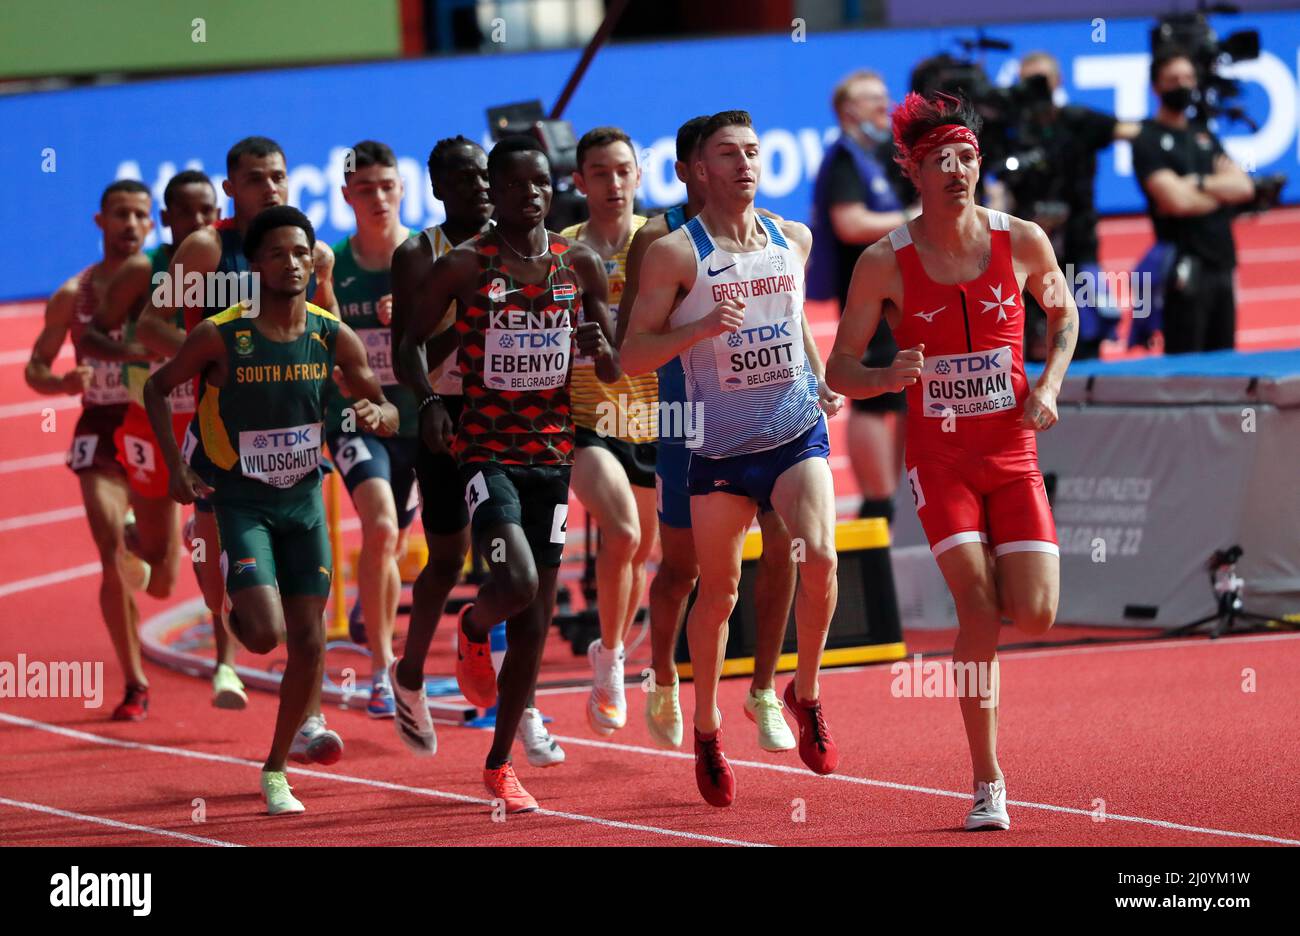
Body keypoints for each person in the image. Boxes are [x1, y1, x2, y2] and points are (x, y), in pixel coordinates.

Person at [827, 90, 1078, 830]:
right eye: (940, 160)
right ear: (912, 169)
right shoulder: (884, 261)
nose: (958, 170)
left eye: (967, 156)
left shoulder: (1022, 239)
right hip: (939, 461)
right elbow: (839, 367)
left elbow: (1063, 315)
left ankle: (999, 585)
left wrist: (1052, 385)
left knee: (1031, 614)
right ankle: (987, 780)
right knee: (976, 609)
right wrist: (882, 377)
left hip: (1012, 452)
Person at [144, 206, 399, 815]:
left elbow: (383, 406)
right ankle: (235, 591)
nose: (292, 263)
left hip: (305, 501)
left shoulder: (330, 332)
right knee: (265, 634)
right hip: (243, 503)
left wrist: (378, 416)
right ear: (255, 265)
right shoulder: (220, 335)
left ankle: (277, 769)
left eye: (301, 253)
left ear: (315, 260)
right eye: (278, 254)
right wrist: (177, 470)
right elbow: (157, 386)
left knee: (310, 643)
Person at [622, 111, 844, 808]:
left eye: (752, 150)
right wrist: (697, 327)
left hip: (791, 430)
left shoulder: (792, 238)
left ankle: (802, 695)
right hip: (714, 445)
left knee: (821, 558)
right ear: (696, 169)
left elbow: (794, 316)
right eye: (729, 153)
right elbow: (632, 354)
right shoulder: (674, 253)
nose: (746, 162)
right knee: (717, 592)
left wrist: (819, 373)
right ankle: (709, 727)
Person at [398, 136, 617, 813]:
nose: (532, 194)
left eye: (542, 183)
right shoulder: (464, 266)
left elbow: (612, 366)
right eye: (518, 184)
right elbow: (406, 342)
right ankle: (470, 628)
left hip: (553, 454)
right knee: (515, 583)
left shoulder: (578, 263)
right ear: (495, 187)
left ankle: (498, 766)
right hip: (486, 451)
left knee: (535, 619)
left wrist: (600, 346)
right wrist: (431, 403)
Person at [137, 136, 344, 759]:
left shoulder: (316, 256)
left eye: (279, 176)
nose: (271, 187)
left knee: (309, 596)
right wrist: (211, 346)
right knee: (230, 578)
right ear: (232, 190)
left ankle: (309, 719)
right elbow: (150, 323)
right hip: (221, 431)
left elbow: (331, 336)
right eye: (256, 178)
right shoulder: (207, 249)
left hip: (295, 439)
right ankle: (235, 611)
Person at [80, 171, 247, 709]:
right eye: (188, 214)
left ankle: (226, 666)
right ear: (167, 221)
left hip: (211, 424)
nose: (200, 224)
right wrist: (140, 352)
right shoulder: (143, 270)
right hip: (152, 428)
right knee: (157, 580)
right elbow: (90, 334)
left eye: (207, 213)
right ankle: (135, 538)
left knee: (219, 546)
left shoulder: (229, 264)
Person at [25, 180, 154, 720]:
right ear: (99, 221)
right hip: (100, 425)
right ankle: (135, 681)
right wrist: (60, 385)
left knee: (156, 560)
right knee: (108, 552)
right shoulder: (71, 295)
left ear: (152, 225)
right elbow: (35, 366)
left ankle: (144, 540)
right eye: (120, 214)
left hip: (156, 425)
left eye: (140, 216)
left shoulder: (167, 287)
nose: (130, 224)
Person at [560, 126, 658, 738]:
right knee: (619, 531)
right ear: (579, 182)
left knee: (642, 551)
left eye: (623, 171)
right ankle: (615, 661)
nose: (613, 183)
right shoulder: (561, 250)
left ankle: (612, 649)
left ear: (637, 177)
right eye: (600, 173)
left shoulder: (662, 242)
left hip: (652, 419)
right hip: (585, 420)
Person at [322, 140, 420, 718]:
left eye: (387, 186)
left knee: (396, 538)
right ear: (346, 196)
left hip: (415, 418)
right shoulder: (330, 265)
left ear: (401, 188)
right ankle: (384, 668)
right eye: (365, 189)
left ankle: (369, 607)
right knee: (380, 526)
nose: (378, 198)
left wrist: (412, 319)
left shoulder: (425, 258)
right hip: (356, 417)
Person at [808, 70, 909, 526]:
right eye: (874, 101)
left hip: (892, 293)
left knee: (903, 392)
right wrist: (911, 218)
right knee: (873, 397)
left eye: (885, 99)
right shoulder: (846, 159)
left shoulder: (876, 156)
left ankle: (904, 496)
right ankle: (878, 503)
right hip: (863, 295)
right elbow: (849, 222)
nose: (883, 108)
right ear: (849, 110)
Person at [1006, 51, 1140, 361]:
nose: (1037, 87)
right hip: (1025, 259)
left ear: (1059, 81)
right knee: (1032, 353)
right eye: (1029, 81)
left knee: (1086, 340)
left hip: (1080, 252)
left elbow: (1134, 132)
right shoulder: (1012, 132)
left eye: (1043, 79)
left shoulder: (1079, 121)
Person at [1131, 46, 1255, 354]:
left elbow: (1244, 187)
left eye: (1188, 77)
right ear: (1156, 86)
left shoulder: (1203, 134)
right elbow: (1176, 201)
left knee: (1226, 361)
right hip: (1183, 270)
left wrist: (1197, 183)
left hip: (1222, 263)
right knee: (1186, 365)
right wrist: (1220, 195)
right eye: (1173, 79)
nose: (1183, 85)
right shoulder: (1147, 139)